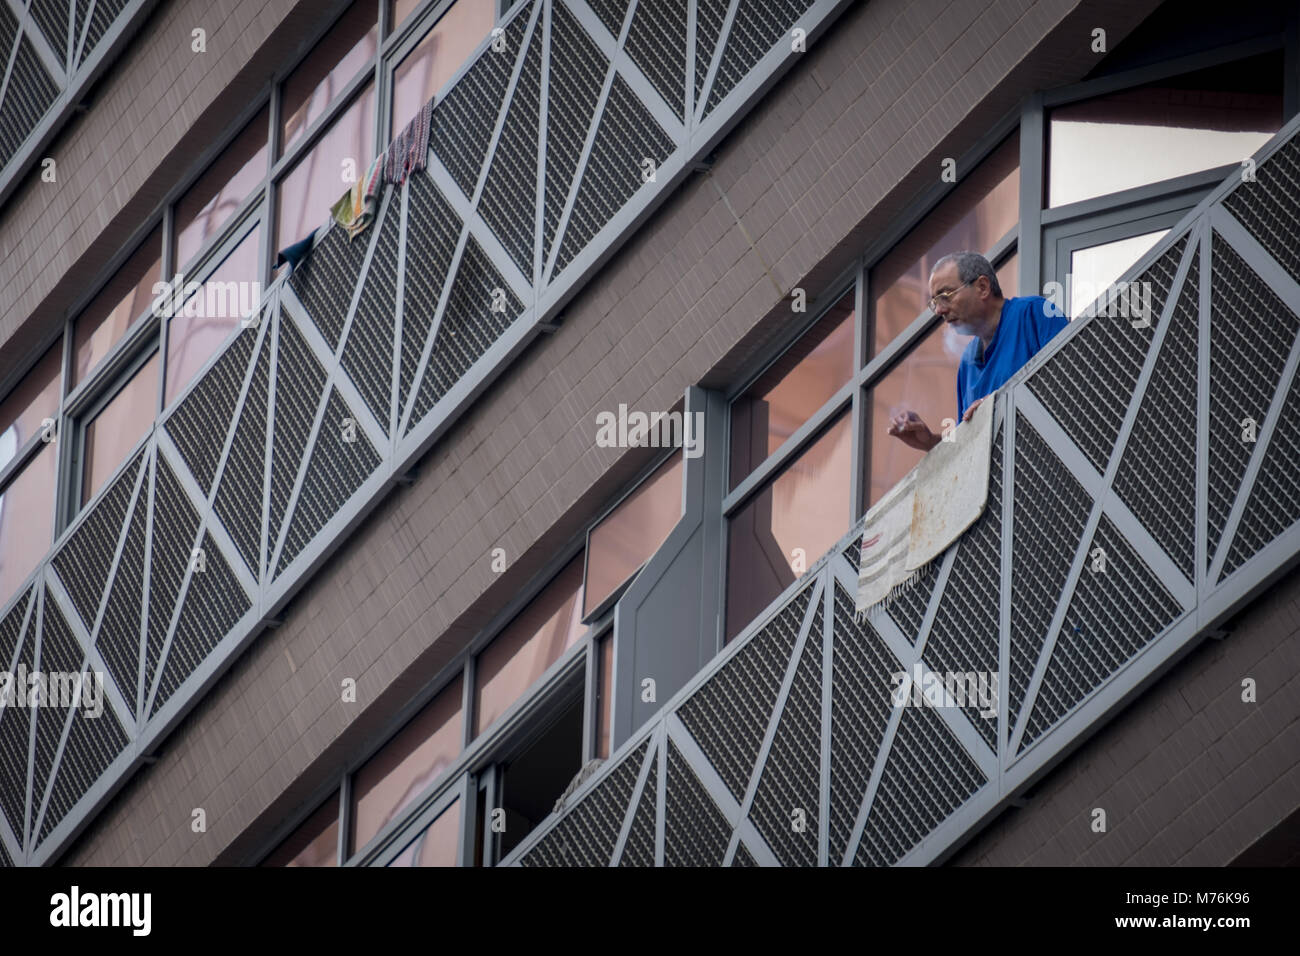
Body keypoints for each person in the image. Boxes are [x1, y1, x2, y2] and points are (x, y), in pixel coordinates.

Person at [888, 251, 1068, 451]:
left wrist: (998, 405)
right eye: (935, 303)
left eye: (945, 296)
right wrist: (930, 441)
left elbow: (1070, 381)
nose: (939, 310)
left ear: (982, 287)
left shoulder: (1033, 312)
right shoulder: (967, 363)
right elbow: (968, 449)